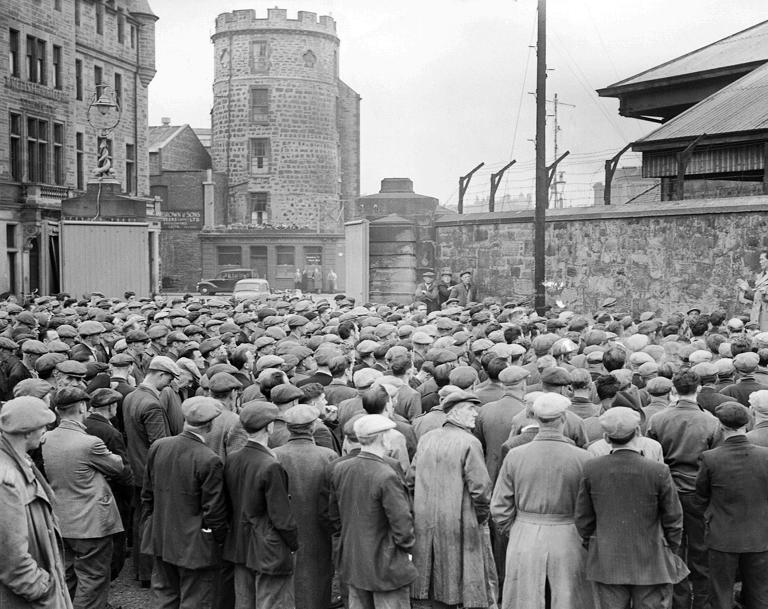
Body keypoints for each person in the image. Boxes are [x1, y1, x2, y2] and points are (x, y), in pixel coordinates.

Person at [575, 407, 688, 609]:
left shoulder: (592, 468)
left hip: (607, 559)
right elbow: (673, 517)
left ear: (606, 438)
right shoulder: (658, 470)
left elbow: (583, 518)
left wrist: (593, 544)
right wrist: (670, 547)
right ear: (638, 432)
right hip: (651, 559)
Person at [491, 393, 595, 609]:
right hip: (569, 537)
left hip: (525, 536)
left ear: (535, 419)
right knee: (568, 598)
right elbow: (590, 508)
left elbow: (500, 507)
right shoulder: (583, 458)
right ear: (564, 419)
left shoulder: (515, 455)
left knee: (526, 599)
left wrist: (518, 529)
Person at [410, 390, 497, 608]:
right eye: (470, 409)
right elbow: (481, 489)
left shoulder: (426, 438)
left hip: (425, 518)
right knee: (459, 577)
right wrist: (480, 517)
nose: (475, 414)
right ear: (455, 413)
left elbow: (410, 480)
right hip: (459, 519)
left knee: (429, 578)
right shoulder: (469, 442)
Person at [141, 396, 229, 609]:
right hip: (195, 546)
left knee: (163, 596)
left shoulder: (159, 446)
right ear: (210, 425)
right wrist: (220, 540)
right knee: (196, 600)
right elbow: (214, 510)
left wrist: (150, 526)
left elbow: (147, 495)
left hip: (161, 536)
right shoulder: (209, 459)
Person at [43, 387, 126, 609]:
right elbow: (117, 466)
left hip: (61, 519)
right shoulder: (89, 443)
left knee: (68, 575)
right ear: (82, 407)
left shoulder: (46, 438)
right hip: (91, 523)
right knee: (94, 578)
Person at [647, 370, 720, 609]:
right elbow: (714, 460)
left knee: (673, 548)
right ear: (698, 389)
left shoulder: (658, 419)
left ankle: (678, 601)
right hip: (698, 494)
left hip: (668, 491)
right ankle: (701, 601)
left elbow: (652, 455)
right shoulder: (711, 421)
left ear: (673, 390)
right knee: (700, 551)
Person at [330, 414, 417, 609]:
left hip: (353, 561)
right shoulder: (387, 474)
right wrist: (407, 550)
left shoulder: (341, 469)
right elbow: (402, 523)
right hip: (386, 565)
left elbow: (334, 517)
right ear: (382, 438)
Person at [224, 400, 299, 609]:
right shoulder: (271, 465)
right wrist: (293, 543)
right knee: (273, 602)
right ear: (269, 426)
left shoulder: (232, 458)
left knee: (244, 602)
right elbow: (281, 516)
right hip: (269, 548)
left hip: (240, 544)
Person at [695, 402, 768, 609]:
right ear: (748, 422)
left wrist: (711, 517)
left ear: (720, 426)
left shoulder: (710, 458)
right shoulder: (766, 456)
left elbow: (700, 496)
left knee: (721, 593)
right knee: (760, 594)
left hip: (722, 536)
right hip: (760, 535)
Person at [0, 396, 71, 608]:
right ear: (27, 432)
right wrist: (44, 589)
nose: (45, 431)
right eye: (43, 427)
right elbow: (12, 560)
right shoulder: (7, 481)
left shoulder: (20, 463)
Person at [123, 355, 181, 586]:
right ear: (160, 374)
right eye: (169, 378)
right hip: (152, 470)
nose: (170, 384)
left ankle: (140, 569)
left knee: (140, 519)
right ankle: (149, 572)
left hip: (137, 467)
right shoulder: (152, 404)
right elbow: (161, 445)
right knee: (151, 521)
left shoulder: (131, 396)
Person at [273, 404, 337, 609]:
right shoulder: (327, 456)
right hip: (319, 529)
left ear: (288, 428)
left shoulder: (274, 454)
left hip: (284, 530)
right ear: (312, 427)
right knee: (318, 580)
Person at [84, 388, 134, 582]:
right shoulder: (111, 432)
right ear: (111, 407)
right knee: (115, 547)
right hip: (113, 495)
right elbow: (122, 469)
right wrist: (130, 495)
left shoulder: (85, 425)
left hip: (93, 494)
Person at [737, 249, 768, 330]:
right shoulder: (761, 275)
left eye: (762, 259)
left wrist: (748, 289)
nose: (760, 262)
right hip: (756, 316)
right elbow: (756, 297)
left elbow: (765, 297)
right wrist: (744, 289)